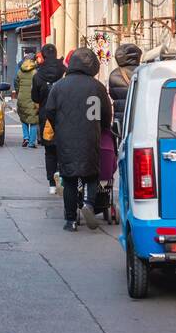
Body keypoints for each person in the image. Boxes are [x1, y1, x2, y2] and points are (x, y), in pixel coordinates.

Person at [44, 48, 112, 231]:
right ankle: (89, 204)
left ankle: (70, 220)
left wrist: (59, 125)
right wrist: (102, 126)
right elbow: (106, 114)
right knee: (91, 173)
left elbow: (49, 110)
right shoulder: (97, 87)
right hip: (91, 135)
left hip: (66, 137)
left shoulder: (59, 86)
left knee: (70, 178)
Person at [31, 42, 66, 196]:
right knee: (64, 150)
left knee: (49, 151)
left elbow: (35, 97)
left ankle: (52, 183)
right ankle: (63, 178)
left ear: (43, 56)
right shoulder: (65, 71)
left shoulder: (38, 75)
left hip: (46, 117)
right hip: (65, 116)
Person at [107, 43, 142, 129]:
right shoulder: (144, 71)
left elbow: (113, 95)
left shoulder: (114, 75)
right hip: (141, 117)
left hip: (121, 120)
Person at [14, 52, 40, 147]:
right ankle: (32, 143)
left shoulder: (20, 71)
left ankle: (26, 138)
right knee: (33, 121)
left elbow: (16, 83)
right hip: (32, 99)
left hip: (21, 98)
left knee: (24, 119)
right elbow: (38, 86)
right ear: (33, 61)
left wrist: (18, 92)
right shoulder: (35, 72)